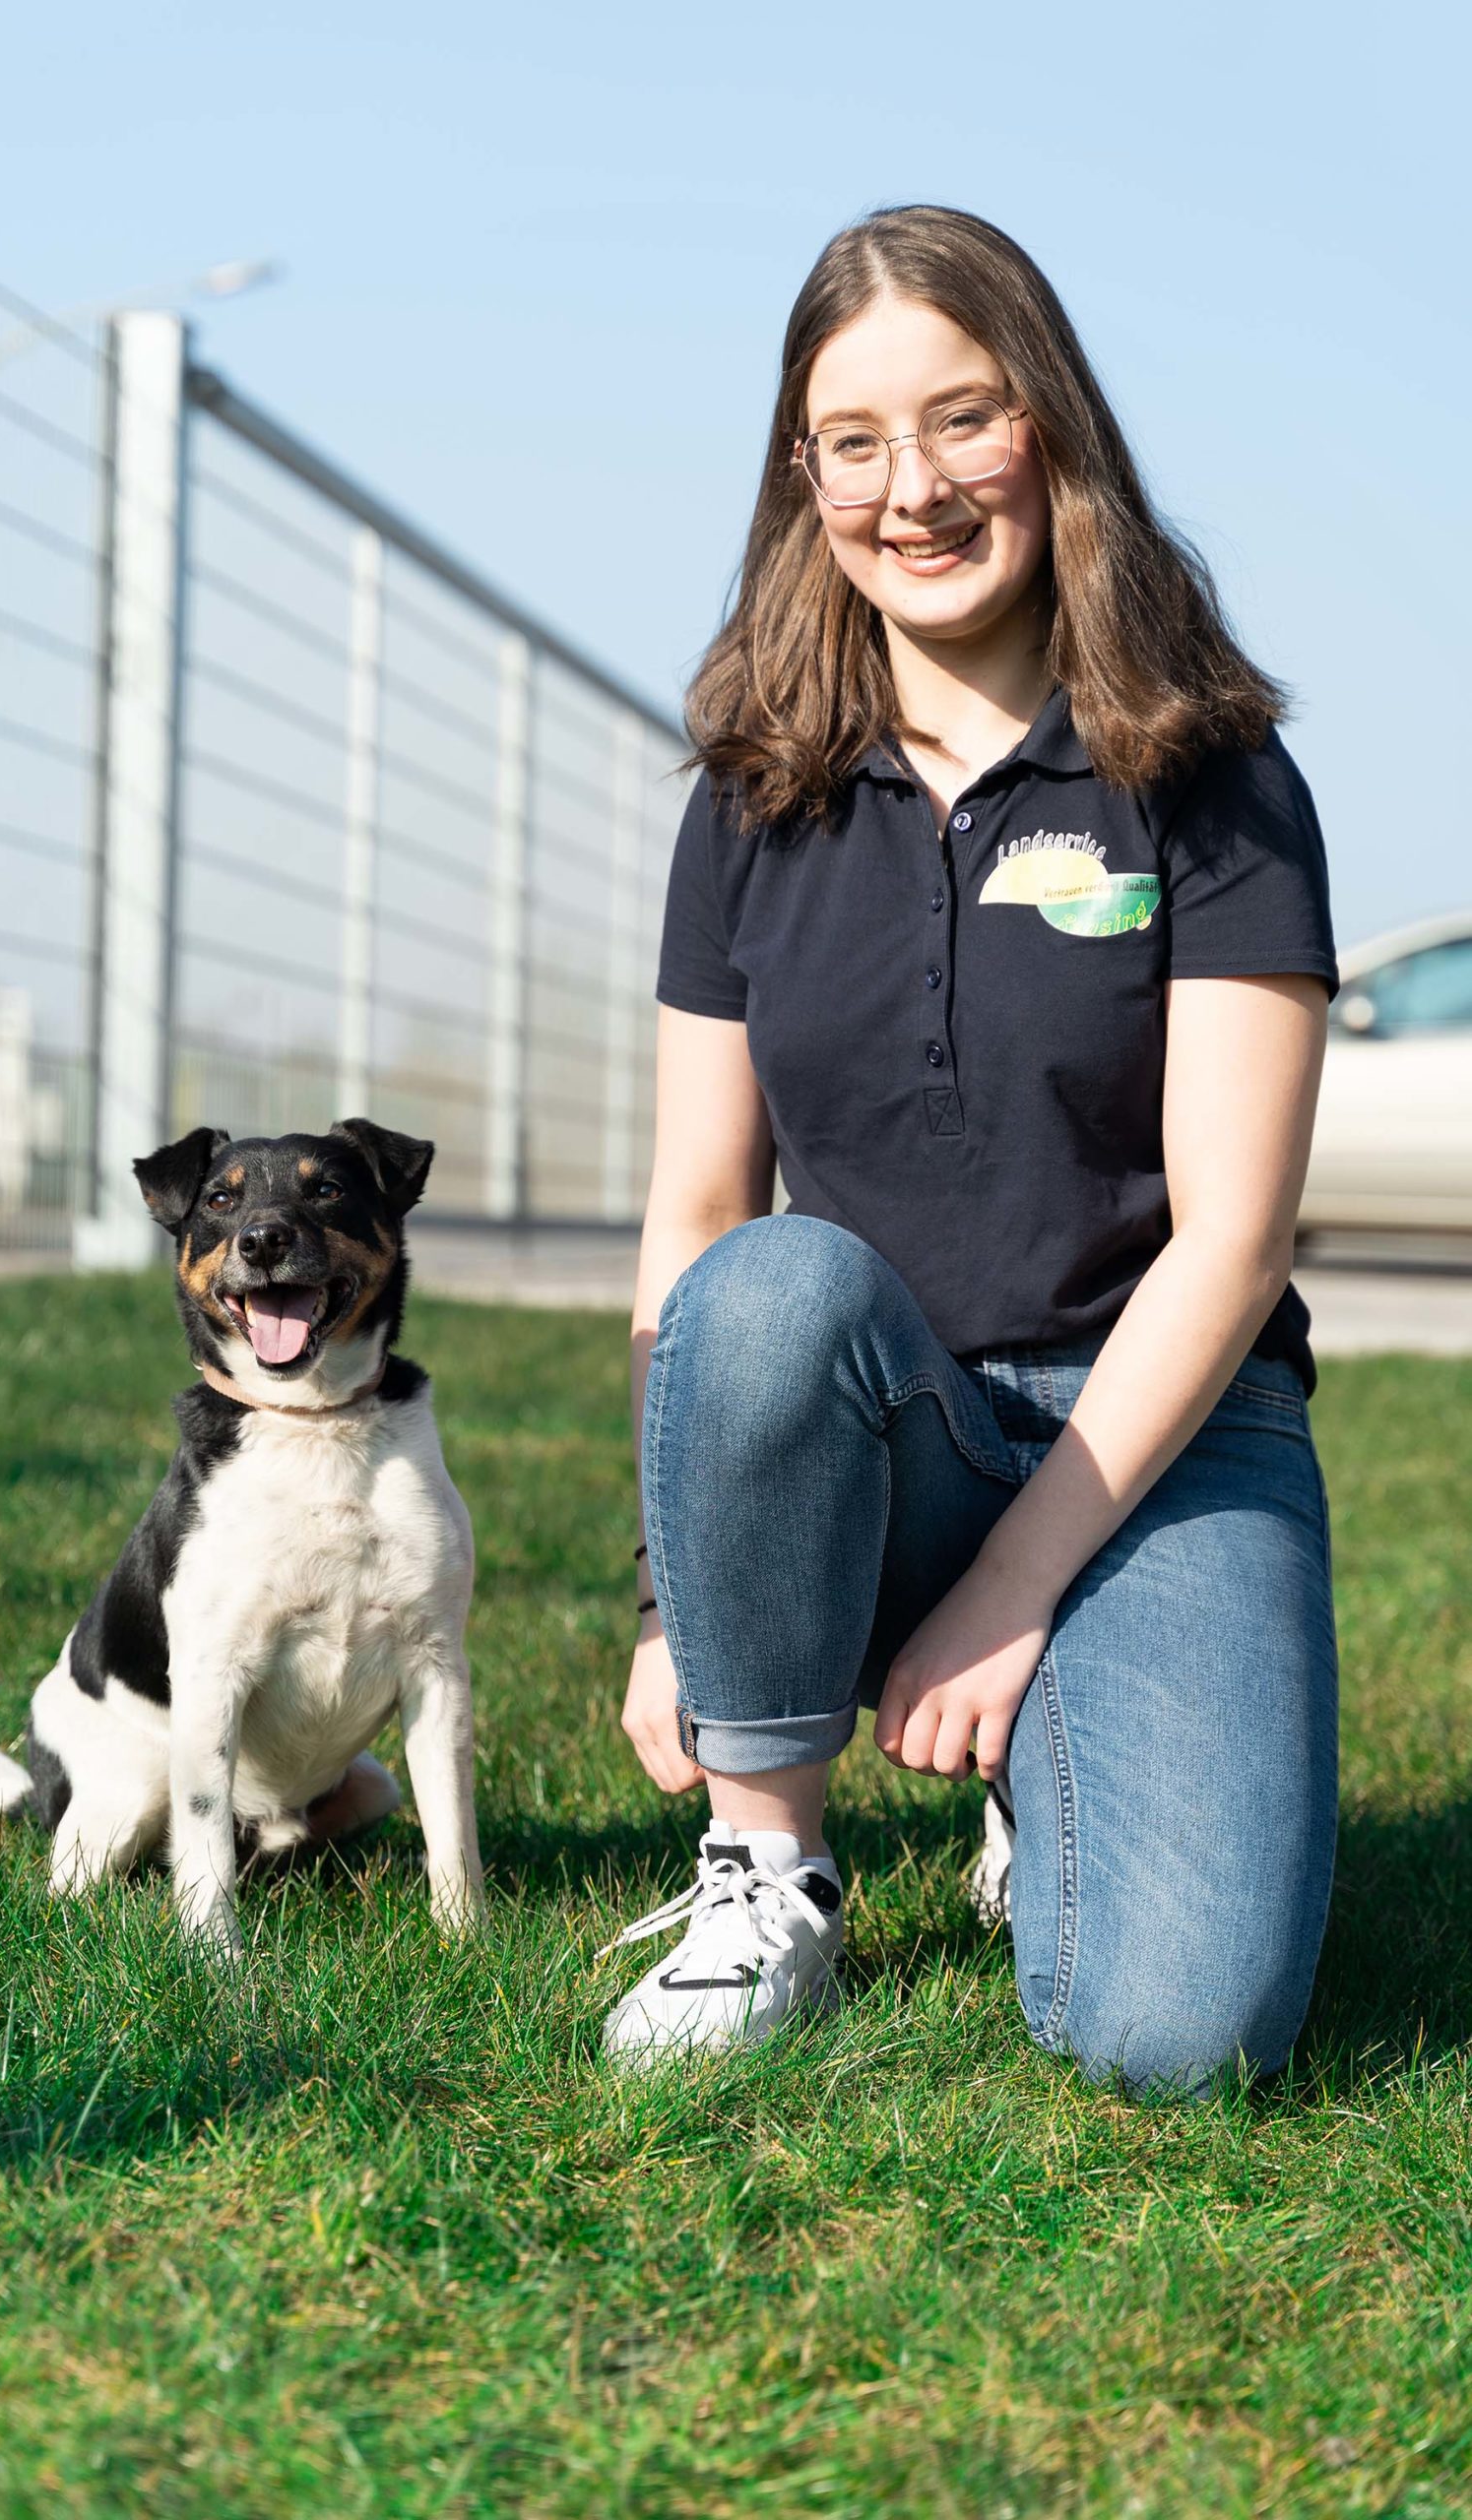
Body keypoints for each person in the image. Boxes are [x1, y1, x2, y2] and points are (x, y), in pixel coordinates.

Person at [600, 205, 1340, 2100]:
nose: (910, 490)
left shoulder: (1212, 772)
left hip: (1158, 1429)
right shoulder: (752, 800)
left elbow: (1234, 1245)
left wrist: (1013, 1603)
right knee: (765, 1284)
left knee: (1178, 2043)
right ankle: (766, 1870)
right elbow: (695, 1215)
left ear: (1053, 429)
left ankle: (1053, 1755)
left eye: (965, 420)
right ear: (804, 472)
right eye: (855, 440)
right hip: (882, 1414)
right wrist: (681, 1589)